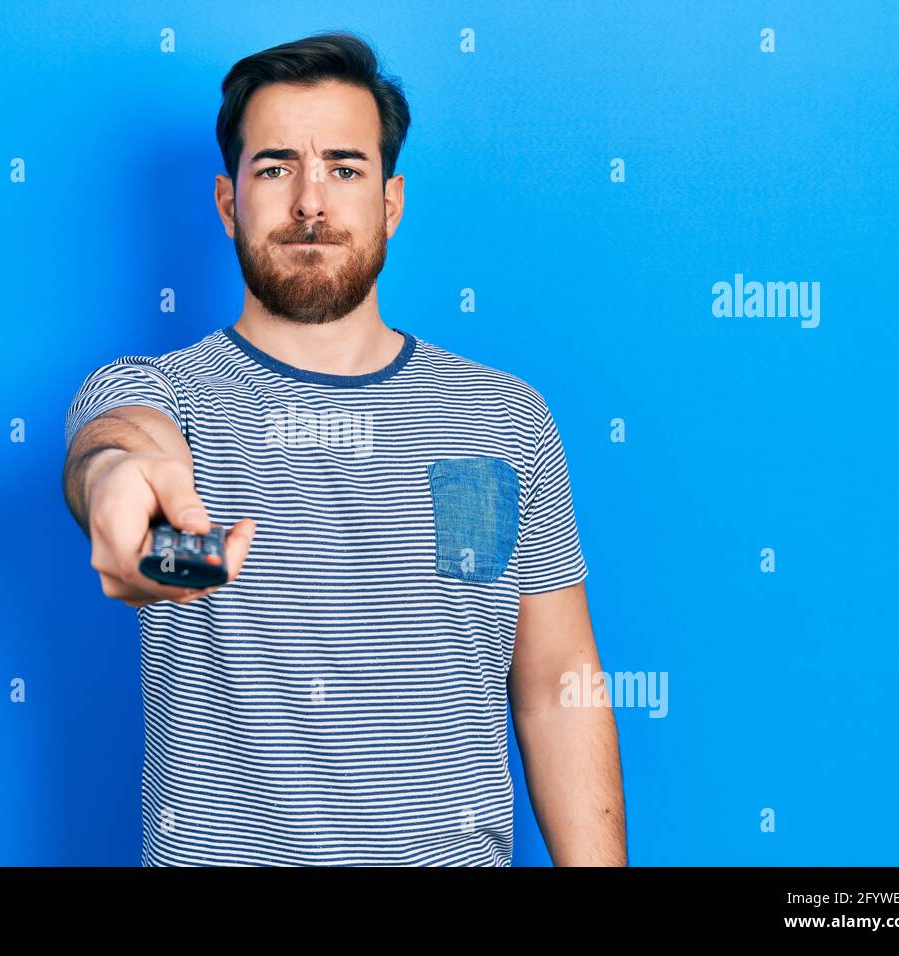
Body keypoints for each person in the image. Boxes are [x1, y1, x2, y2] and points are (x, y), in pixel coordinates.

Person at [62, 30, 626, 866]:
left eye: (345, 169)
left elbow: (554, 686)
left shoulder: (500, 418)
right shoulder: (165, 394)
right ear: (228, 204)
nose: (311, 203)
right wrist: (118, 480)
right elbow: (116, 441)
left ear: (391, 202)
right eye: (276, 167)